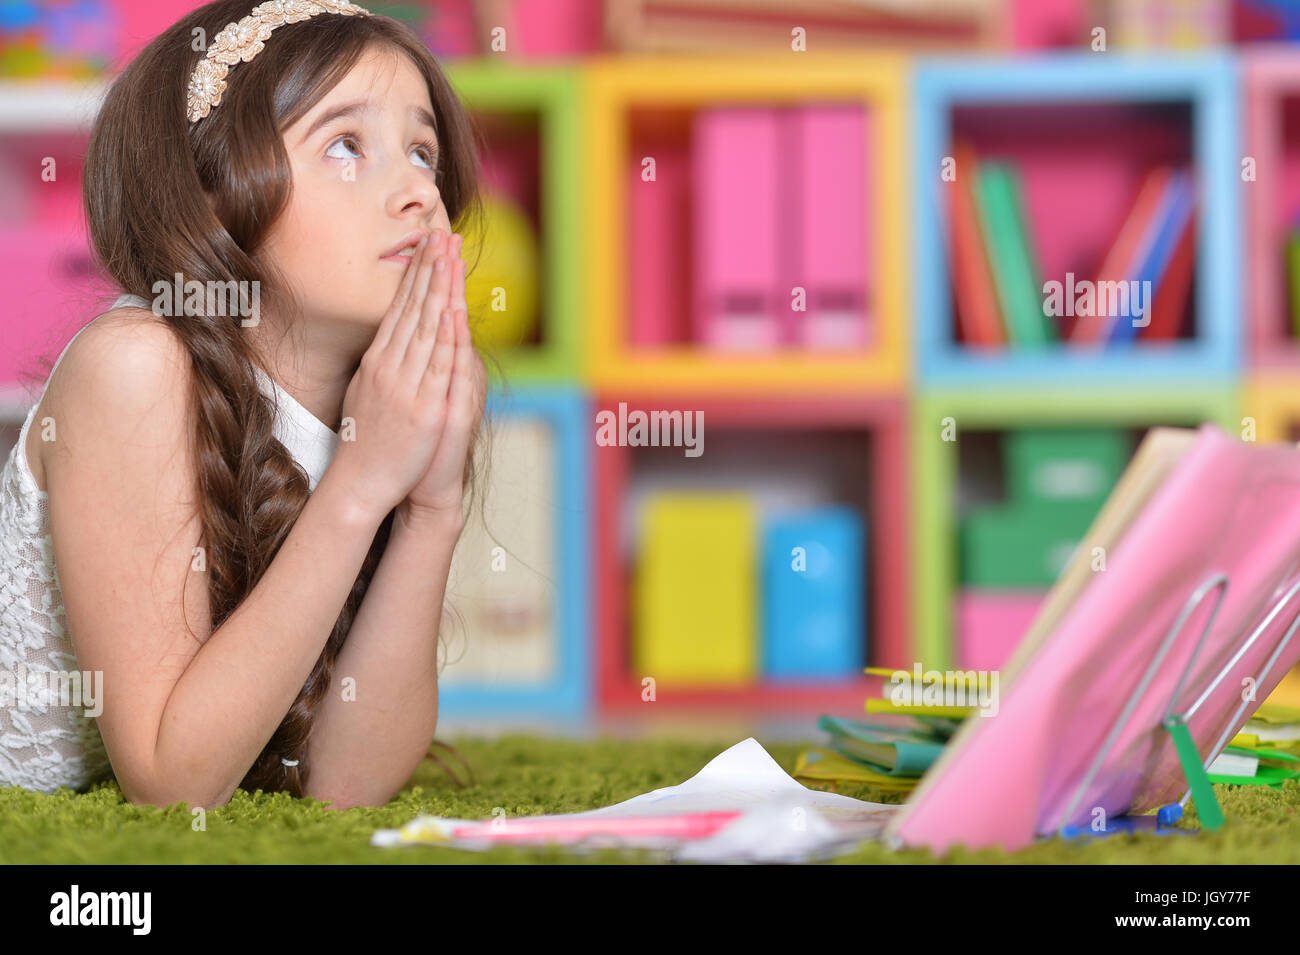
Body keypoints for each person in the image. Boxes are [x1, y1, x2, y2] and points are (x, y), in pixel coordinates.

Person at [0, 0, 491, 809]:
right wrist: (362, 485)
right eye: (345, 145)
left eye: (423, 152)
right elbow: (170, 782)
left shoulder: (369, 402)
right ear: (217, 196)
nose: (416, 191)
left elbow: (344, 782)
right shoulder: (134, 367)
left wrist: (432, 507)